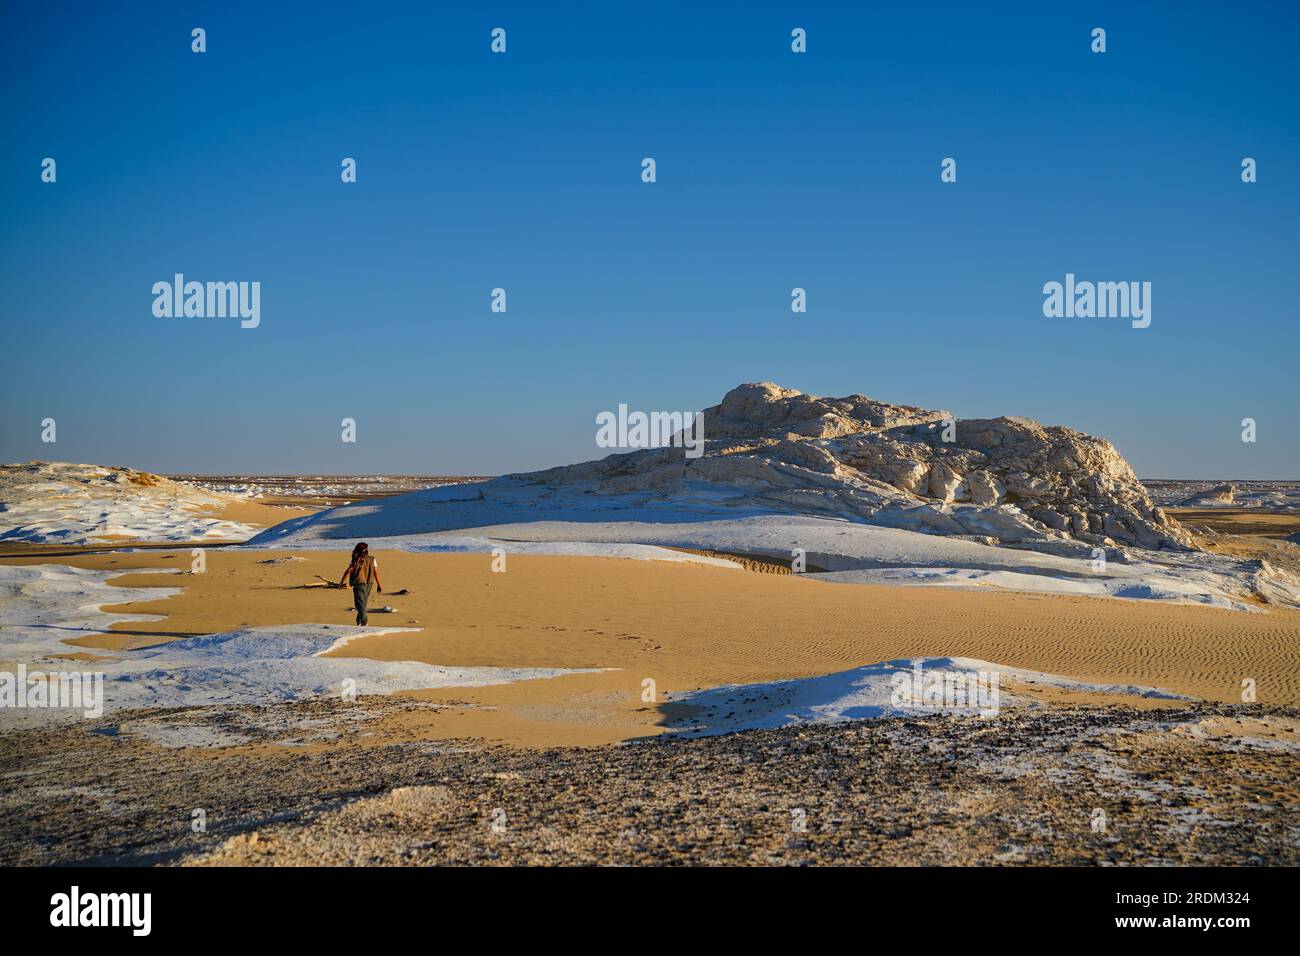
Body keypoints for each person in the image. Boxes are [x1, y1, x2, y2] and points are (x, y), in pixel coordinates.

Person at [339, 542, 382, 625]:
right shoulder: (372, 559)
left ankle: (365, 622)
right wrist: (379, 585)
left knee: (359, 604)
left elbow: (348, 571)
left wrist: (342, 582)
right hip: (369, 584)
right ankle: (358, 623)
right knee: (363, 604)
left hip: (359, 584)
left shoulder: (355, 559)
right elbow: (376, 573)